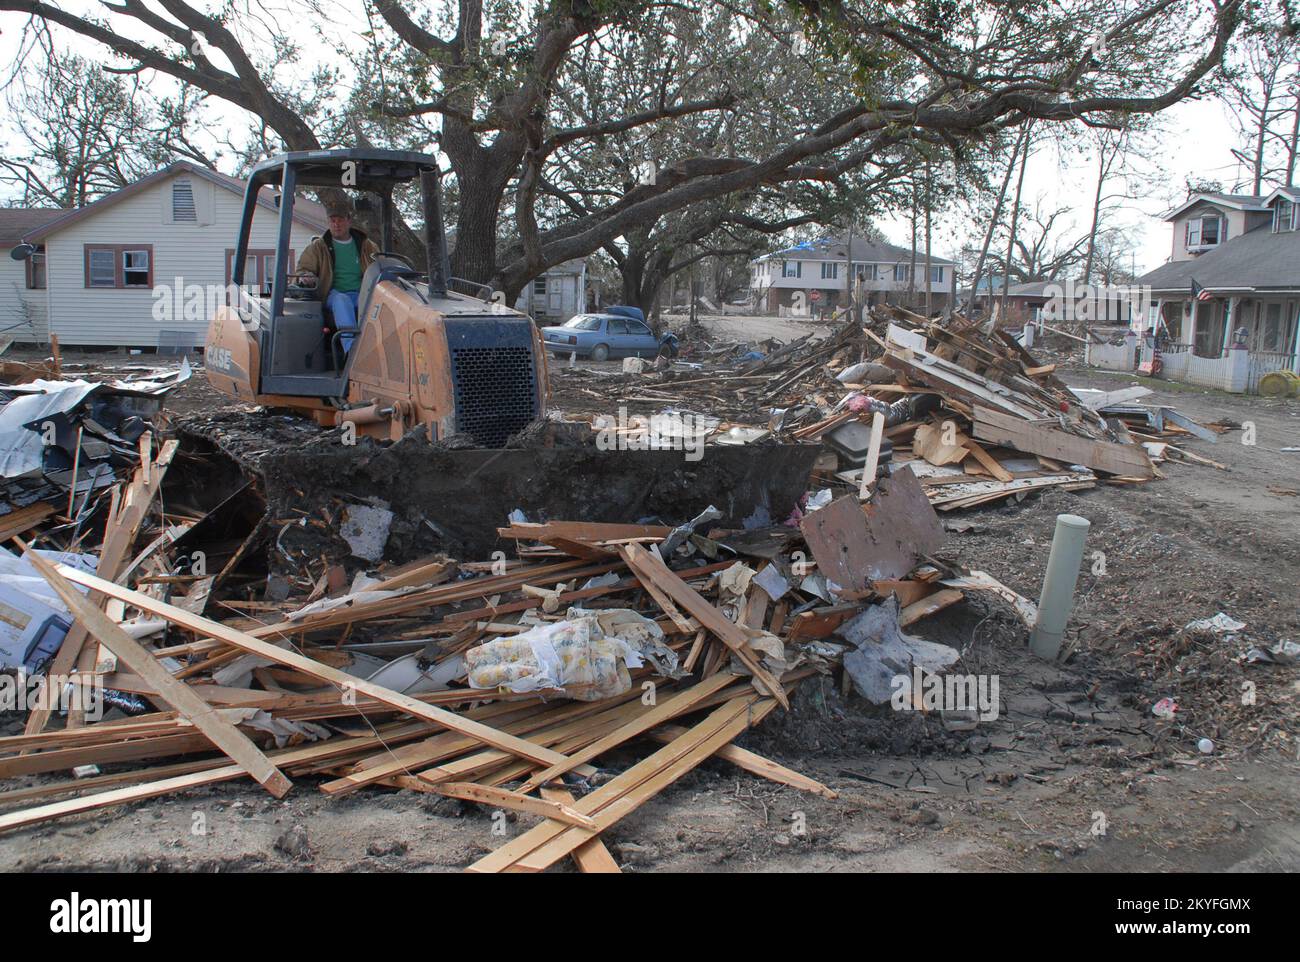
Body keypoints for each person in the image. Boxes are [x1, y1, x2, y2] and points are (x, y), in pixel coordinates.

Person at [295, 200, 379, 352]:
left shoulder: (366, 245)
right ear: (328, 222)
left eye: (340, 220)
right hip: (333, 294)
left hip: (362, 293)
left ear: (349, 221)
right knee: (342, 300)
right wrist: (306, 276)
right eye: (332, 221)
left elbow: (379, 265)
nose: (336, 224)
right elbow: (303, 269)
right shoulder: (319, 247)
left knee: (382, 304)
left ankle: (378, 349)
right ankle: (352, 352)